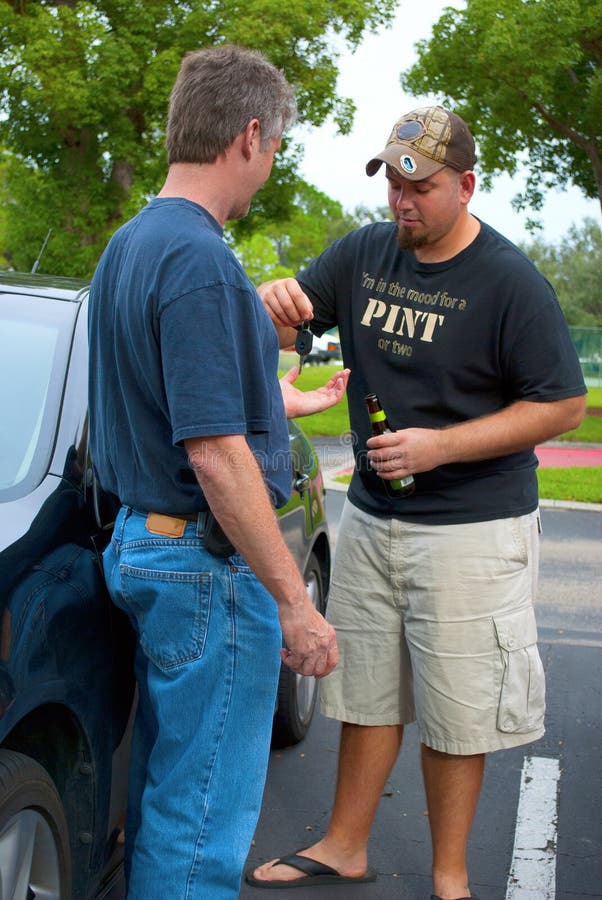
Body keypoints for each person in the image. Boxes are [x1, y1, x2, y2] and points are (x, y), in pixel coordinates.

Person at [246, 105, 587, 900]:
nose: (402, 201)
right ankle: (343, 845)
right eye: (393, 182)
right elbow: (300, 328)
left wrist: (441, 445)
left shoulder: (510, 283)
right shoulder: (366, 253)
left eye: (421, 187)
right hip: (371, 516)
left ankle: (449, 877)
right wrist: (273, 309)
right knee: (365, 690)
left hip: (473, 528)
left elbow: (562, 405)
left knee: (457, 708)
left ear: (466, 186)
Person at [88, 45, 349, 900]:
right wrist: (295, 603)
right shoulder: (199, 259)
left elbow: (176, 400)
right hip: (202, 567)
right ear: (247, 135)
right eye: (273, 148)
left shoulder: (133, 241)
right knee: (198, 825)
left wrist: (281, 401)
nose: (268, 167)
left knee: (167, 798)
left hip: (145, 543)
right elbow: (213, 452)